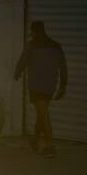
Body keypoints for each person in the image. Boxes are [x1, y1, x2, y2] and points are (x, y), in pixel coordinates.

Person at [13, 21, 67, 156]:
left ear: (35, 32)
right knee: (41, 114)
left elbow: (23, 61)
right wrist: (62, 86)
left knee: (43, 114)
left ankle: (50, 147)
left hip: (36, 86)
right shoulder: (56, 46)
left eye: (32, 33)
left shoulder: (32, 45)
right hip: (50, 86)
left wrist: (17, 72)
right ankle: (35, 141)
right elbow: (63, 67)